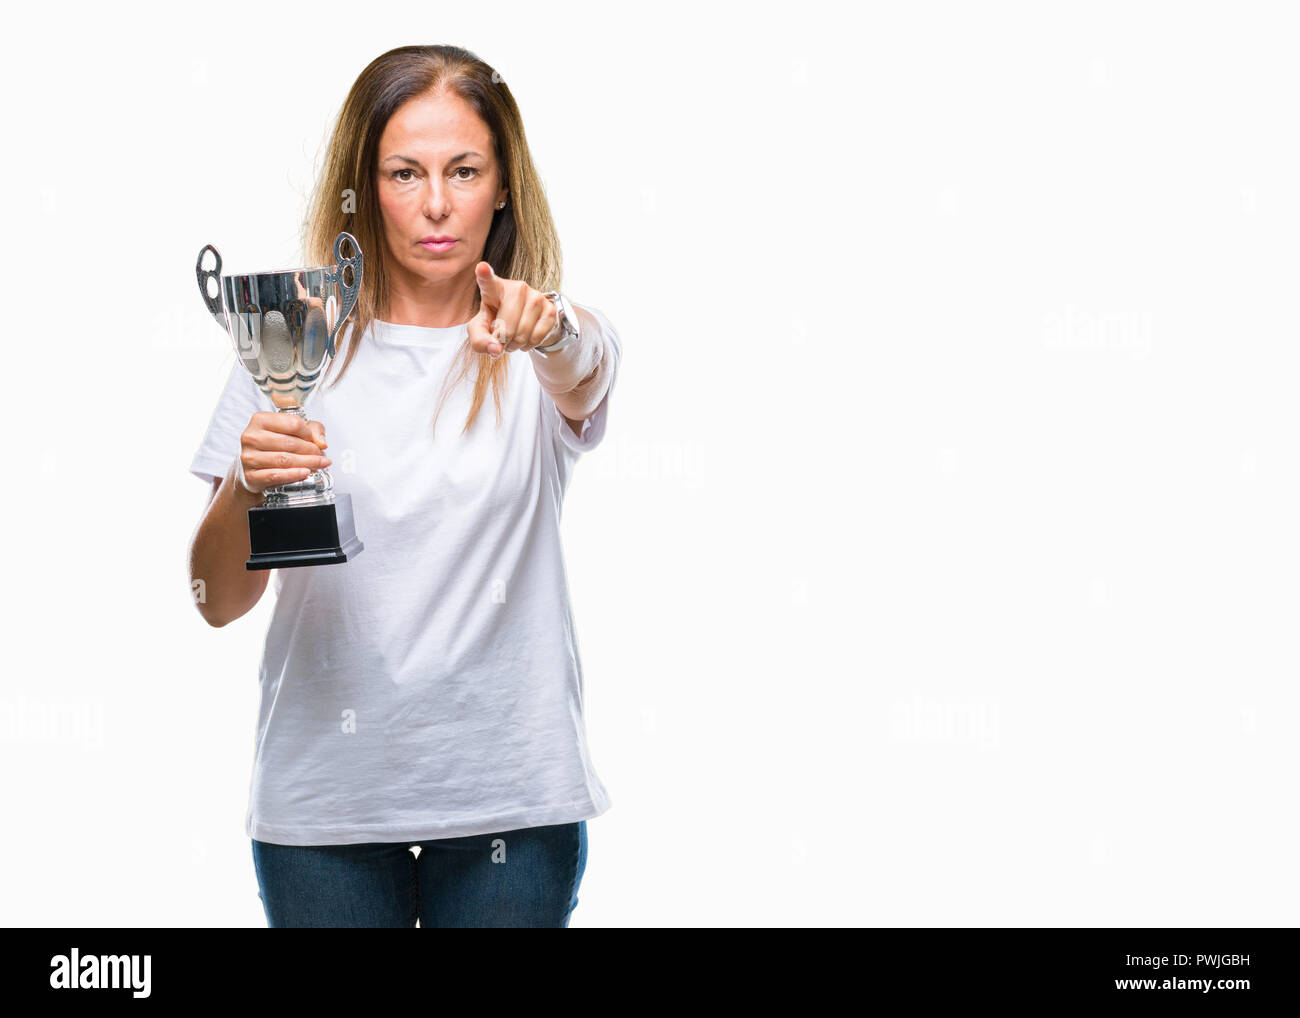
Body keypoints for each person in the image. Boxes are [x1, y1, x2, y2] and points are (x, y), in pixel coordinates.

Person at [186, 44, 620, 928]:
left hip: (511, 804)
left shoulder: (542, 343)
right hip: (325, 808)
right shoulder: (292, 336)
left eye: (464, 170)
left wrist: (551, 332)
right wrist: (247, 480)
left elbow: (584, 367)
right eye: (403, 172)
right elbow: (216, 601)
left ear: (503, 184)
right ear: (364, 184)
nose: (434, 203)